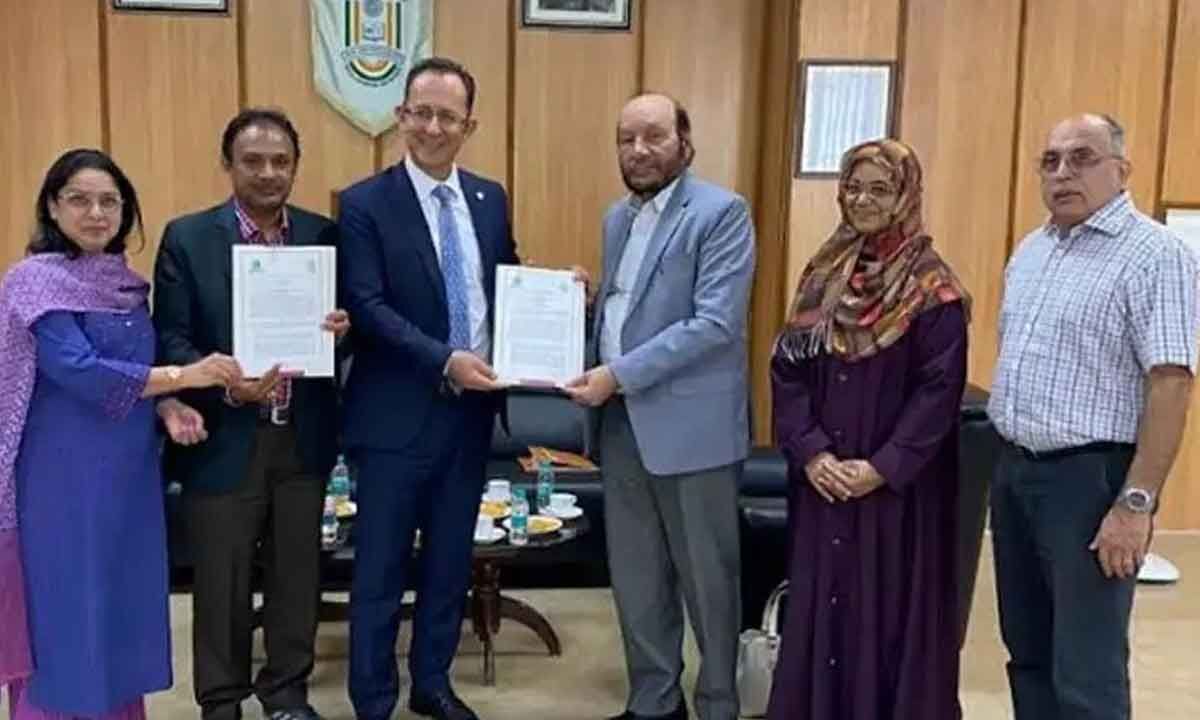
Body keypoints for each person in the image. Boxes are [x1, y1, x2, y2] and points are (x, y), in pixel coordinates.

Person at [0, 148, 240, 719]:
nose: (96, 213)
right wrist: (186, 376)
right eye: (79, 200)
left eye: (110, 201)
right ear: (52, 207)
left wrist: (168, 406)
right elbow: (79, 371)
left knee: (117, 605)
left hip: (128, 477)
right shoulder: (34, 282)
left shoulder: (127, 286)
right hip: (61, 480)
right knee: (68, 606)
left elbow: (133, 370)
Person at [988, 113, 1198, 720]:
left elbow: (1171, 384)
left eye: (1082, 158)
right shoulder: (1033, 250)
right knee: (1027, 654)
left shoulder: (1155, 256)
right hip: (1015, 471)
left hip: (1089, 482)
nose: (1062, 173)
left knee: (1086, 671)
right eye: (1050, 160)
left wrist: (1136, 505)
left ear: (1121, 170)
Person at [152, 109, 350, 720]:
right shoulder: (188, 238)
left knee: (297, 578)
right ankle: (221, 702)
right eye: (253, 161)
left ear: (296, 166)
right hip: (224, 434)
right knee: (222, 581)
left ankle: (286, 693)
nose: (268, 173)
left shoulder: (323, 236)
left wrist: (343, 330)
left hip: (303, 437)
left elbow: (347, 331)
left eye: (281, 161)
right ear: (229, 165)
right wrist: (225, 384)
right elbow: (171, 337)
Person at [564, 93, 755, 720]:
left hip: (692, 430)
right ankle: (654, 702)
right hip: (621, 423)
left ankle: (719, 703)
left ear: (684, 142)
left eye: (653, 136)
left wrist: (616, 374)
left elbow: (714, 324)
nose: (638, 150)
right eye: (626, 139)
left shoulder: (721, 213)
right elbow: (633, 307)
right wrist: (586, 305)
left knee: (708, 580)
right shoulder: (616, 218)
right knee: (638, 577)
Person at [338, 57, 518, 720]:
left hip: (470, 418)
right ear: (400, 117)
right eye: (421, 113)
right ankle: (373, 698)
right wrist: (445, 361)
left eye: (448, 116)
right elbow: (366, 305)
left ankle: (433, 684)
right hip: (394, 419)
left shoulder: (490, 198)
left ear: (470, 125)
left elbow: (504, 281)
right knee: (379, 572)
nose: (433, 128)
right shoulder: (363, 203)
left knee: (448, 565)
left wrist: (560, 292)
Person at [766, 139, 970, 720]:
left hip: (896, 497)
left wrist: (881, 468)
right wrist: (811, 454)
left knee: (885, 619)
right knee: (821, 614)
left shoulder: (934, 290)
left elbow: (939, 392)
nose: (862, 200)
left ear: (906, 195)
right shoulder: (824, 275)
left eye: (879, 189)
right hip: (824, 484)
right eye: (853, 187)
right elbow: (787, 370)